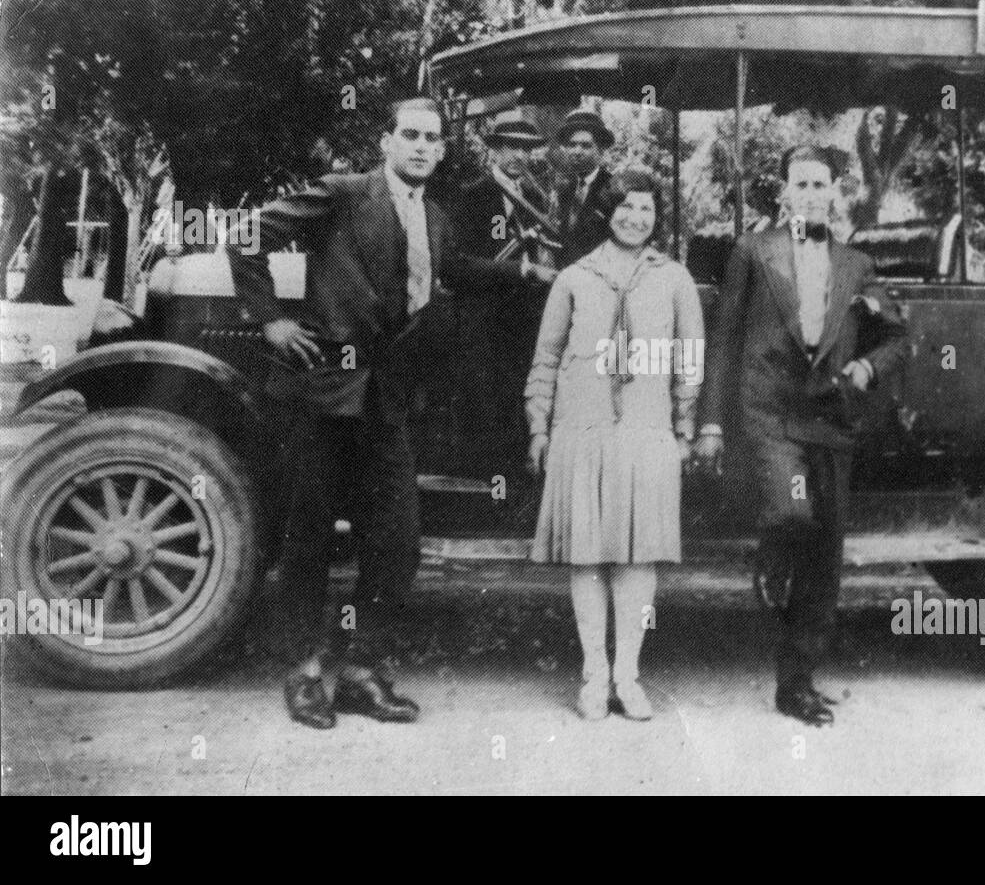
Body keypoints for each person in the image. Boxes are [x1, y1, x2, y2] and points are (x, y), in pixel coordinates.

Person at [230, 97, 515, 730]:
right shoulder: (343, 193)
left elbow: (450, 276)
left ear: (442, 150)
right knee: (308, 541)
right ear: (386, 141)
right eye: (409, 134)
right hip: (322, 397)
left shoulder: (436, 219)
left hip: (385, 404)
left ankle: (362, 671)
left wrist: (525, 272)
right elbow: (248, 238)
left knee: (398, 544)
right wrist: (271, 318)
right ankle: (303, 674)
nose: (420, 146)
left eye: (432, 138)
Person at [694, 145, 910, 727]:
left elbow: (895, 336)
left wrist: (865, 368)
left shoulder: (856, 265)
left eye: (822, 185)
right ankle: (771, 557)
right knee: (791, 515)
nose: (812, 194)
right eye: (802, 184)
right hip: (769, 415)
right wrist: (711, 422)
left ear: (833, 193)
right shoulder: (752, 251)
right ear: (784, 191)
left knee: (825, 555)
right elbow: (725, 339)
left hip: (830, 419)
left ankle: (797, 683)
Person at [525, 169, 704, 721]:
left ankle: (628, 674)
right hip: (582, 432)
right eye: (626, 207)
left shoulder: (675, 279)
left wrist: (684, 428)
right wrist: (539, 425)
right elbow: (547, 359)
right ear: (607, 212)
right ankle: (593, 675)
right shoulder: (575, 278)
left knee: (637, 556)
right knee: (588, 555)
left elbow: (689, 361)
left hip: (647, 433)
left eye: (647, 209)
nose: (636, 218)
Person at [451, 113, 558, 475]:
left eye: (525, 149)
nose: (518, 156)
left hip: (525, 319)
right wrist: (522, 270)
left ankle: (516, 489)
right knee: (485, 407)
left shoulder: (535, 199)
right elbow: (456, 266)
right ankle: (487, 494)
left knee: (521, 402)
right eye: (510, 146)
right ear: (494, 150)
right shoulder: (471, 195)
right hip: (483, 319)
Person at [554, 108, 615, 269]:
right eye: (572, 145)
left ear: (600, 150)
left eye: (586, 146)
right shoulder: (565, 191)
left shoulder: (613, 189)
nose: (577, 152)